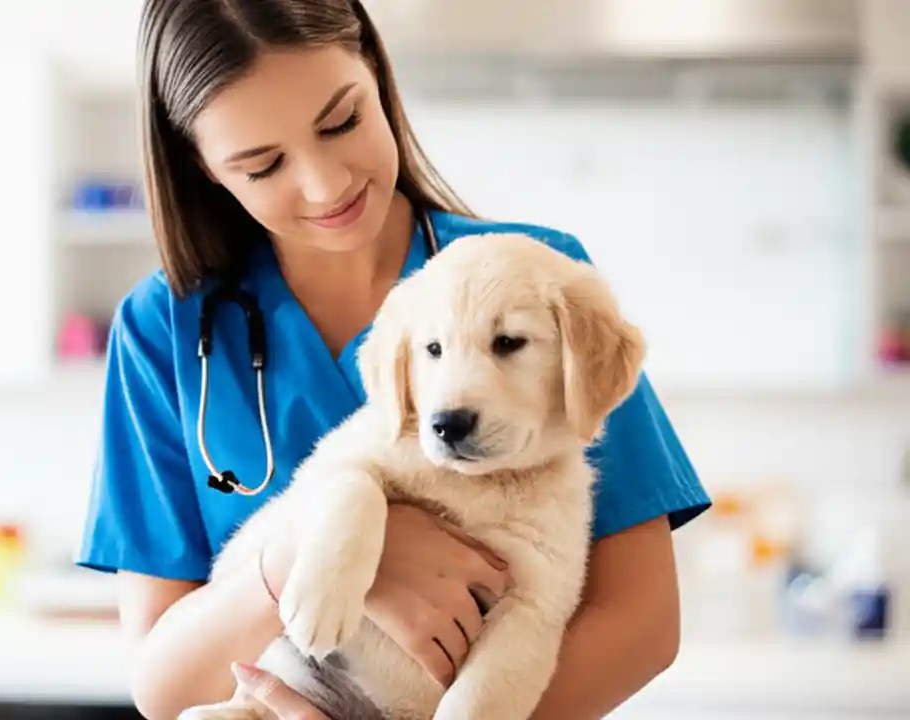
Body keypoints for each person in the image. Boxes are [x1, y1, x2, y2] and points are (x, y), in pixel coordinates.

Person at [75, 1, 711, 718]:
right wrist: (315, 554)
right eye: (262, 165)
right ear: (205, 167)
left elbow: (642, 624)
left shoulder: (538, 276)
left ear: (377, 73)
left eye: (341, 121)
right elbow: (164, 686)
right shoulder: (164, 326)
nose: (325, 185)